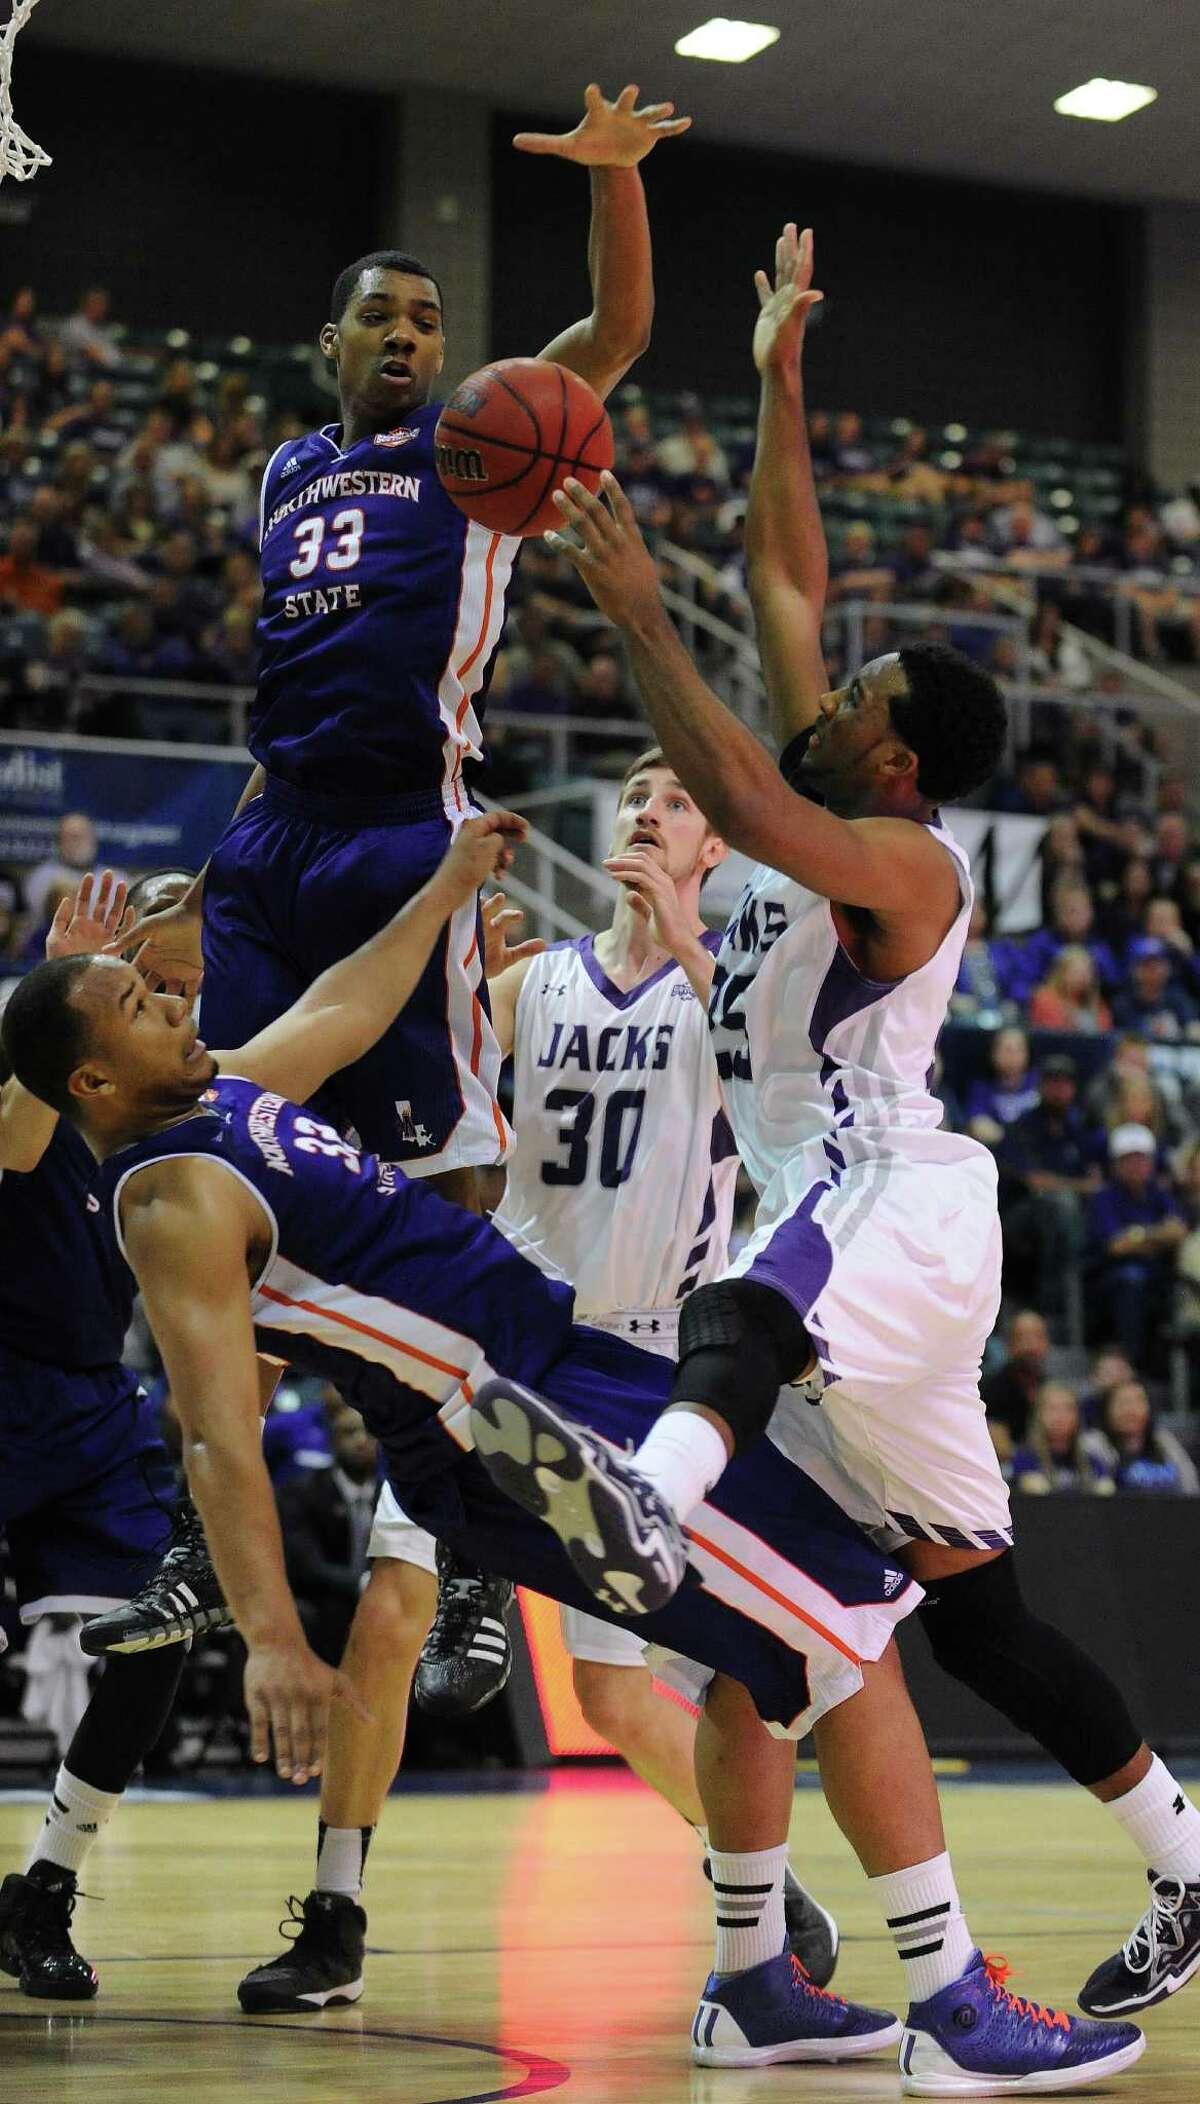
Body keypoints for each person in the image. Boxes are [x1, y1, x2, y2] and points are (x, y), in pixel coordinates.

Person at [5, 814, 1007, 2077]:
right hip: (500, 1419)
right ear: (93, 1080)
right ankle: (955, 1999)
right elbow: (214, 1437)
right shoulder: (166, 1196)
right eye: (138, 1005)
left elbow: (345, 1008)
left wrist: (442, 886)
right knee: (845, 1615)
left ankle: (754, 1979)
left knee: (773, 1653)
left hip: (559, 1369)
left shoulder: (233, 1088)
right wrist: (269, 1639)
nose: (165, 999)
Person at [515, 220, 1196, 2055]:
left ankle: (650, 1473)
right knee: (890, 1620)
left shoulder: (896, 854)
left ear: (895, 763)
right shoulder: (842, 770)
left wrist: (634, 608)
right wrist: (779, 383)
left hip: (893, 1197)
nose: (826, 692)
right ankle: (1142, 1858)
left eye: (860, 700)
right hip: (834, 1233)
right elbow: (786, 576)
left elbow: (736, 760)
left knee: (754, 1288)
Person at [119, 83, 690, 1209]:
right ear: (334, 338)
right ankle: (253, 1371)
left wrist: (613, 170)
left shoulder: (475, 445)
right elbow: (289, 700)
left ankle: (450, 1382)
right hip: (272, 833)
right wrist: (208, 879)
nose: (409, 335)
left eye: (427, 322)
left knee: (444, 1151)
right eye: (385, 315)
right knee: (229, 1135)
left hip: (397, 830)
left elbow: (617, 334)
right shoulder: (286, 470)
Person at [334, 747, 837, 2006]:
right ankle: (335, 1907)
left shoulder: (735, 994)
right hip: (505, 1326)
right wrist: (447, 953)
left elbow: (791, 1109)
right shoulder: (532, 983)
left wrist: (687, 937)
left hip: (642, 1362)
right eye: (634, 798)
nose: (646, 814)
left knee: (616, 1691)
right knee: (385, 1614)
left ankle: (763, 1885)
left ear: (714, 848)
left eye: (676, 803)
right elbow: (417, 1081)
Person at [0, 876, 187, 2001]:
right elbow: (16, 1142)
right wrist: (51, 987)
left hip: (93, 1400)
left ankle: (46, 1889)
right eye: (127, 971)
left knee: (155, 1634)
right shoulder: (38, 1077)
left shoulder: (176, 1099)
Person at [279, 1406, 381, 1665]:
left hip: (379, 1598)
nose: (361, 1440)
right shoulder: (303, 1491)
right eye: (350, 1433)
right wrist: (360, 1584)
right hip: (323, 1598)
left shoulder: (393, 1496)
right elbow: (306, 1565)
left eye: (369, 1432)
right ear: (332, 1441)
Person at [1087, 1124, 1186, 1368]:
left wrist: (1138, 1235)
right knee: (1132, 1279)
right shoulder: (1104, 1197)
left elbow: (1179, 1231)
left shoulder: (1159, 1194)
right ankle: (1131, 1361)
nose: (1136, 1166)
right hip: (1109, 1279)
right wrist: (1156, 1237)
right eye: (1129, 1160)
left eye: (1141, 1159)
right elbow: (1116, 1246)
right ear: (1116, 1164)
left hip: (1156, 1274)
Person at [1083, 1380, 1199, 1497]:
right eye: (1123, 1403)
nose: (1131, 1410)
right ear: (1107, 1410)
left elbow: (1190, 1486)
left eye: (1138, 1401)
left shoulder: (1163, 1440)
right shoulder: (1094, 1444)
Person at [1008, 1383, 1114, 1496]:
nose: (1060, 1415)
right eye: (1052, 1409)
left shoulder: (1092, 1461)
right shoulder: (1024, 1459)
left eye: (1068, 1408)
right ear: (1038, 1415)